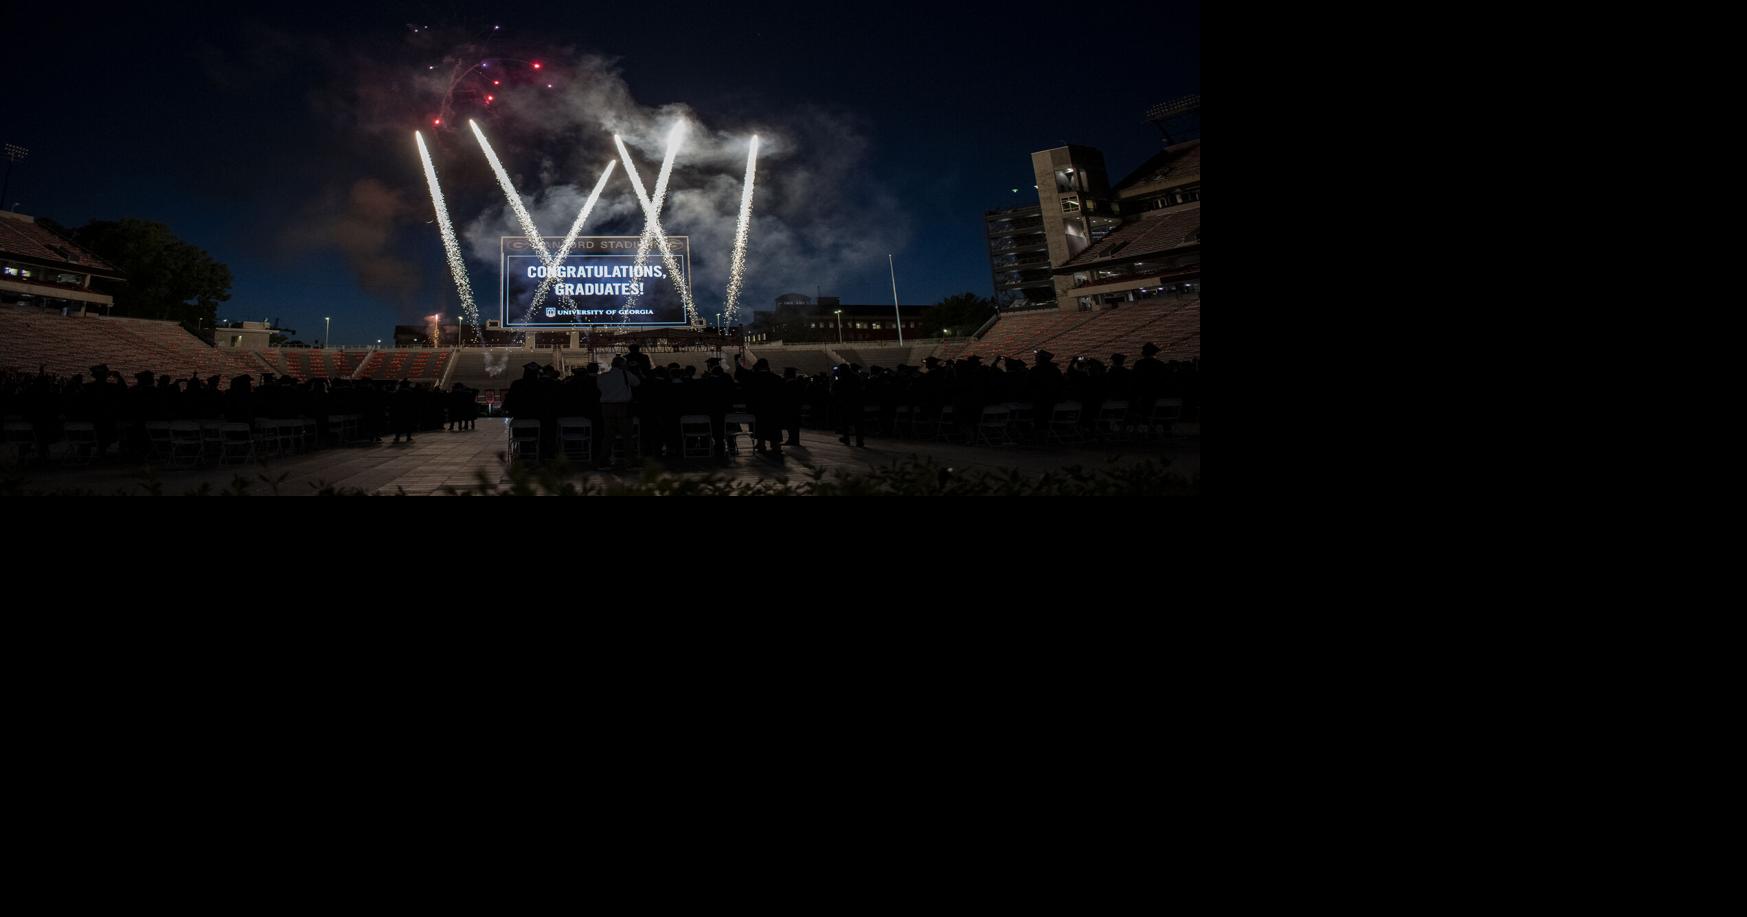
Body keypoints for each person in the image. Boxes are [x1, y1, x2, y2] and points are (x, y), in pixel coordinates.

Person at [734, 355, 785, 458]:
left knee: (759, 427)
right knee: (774, 427)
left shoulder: (753, 377)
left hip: (758, 408)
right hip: (773, 409)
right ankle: (776, 445)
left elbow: (741, 374)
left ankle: (761, 445)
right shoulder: (777, 378)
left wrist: (737, 363)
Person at [597, 355, 641, 468]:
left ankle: (603, 460)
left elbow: (600, 388)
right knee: (627, 435)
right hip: (623, 406)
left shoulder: (603, 376)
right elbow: (637, 383)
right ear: (623, 365)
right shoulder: (626, 374)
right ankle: (630, 460)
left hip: (606, 407)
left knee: (608, 435)